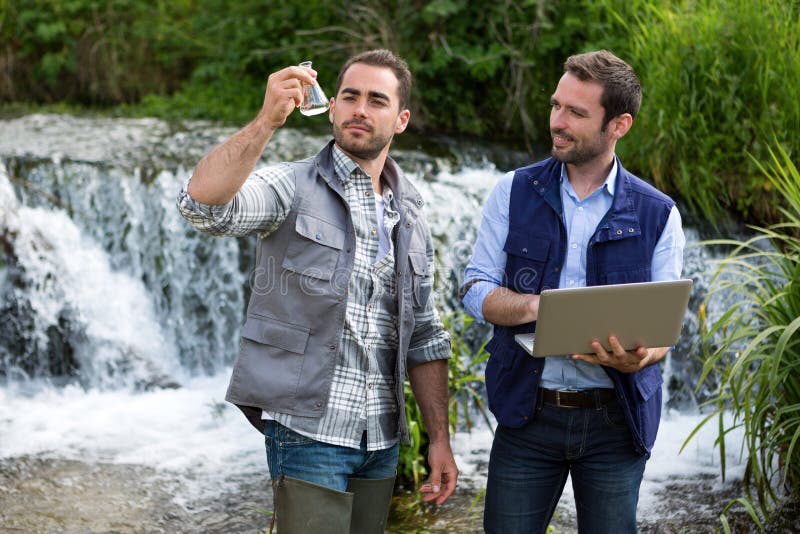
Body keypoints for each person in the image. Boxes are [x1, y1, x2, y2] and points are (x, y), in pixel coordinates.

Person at [177, 49, 458, 533]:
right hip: (309, 434)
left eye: (376, 100)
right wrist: (266, 121)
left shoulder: (410, 210)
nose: (360, 110)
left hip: (382, 442)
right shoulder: (291, 185)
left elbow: (425, 334)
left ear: (402, 118)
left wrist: (439, 439)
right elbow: (202, 207)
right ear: (331, 106)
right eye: (349, 96)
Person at [460, 50, 685, 533]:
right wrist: (539, 306)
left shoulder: (659, 213)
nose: (557, 122)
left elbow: (667, 327)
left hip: (616, 423)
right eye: (556, 105)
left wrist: (640, 357)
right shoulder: (512, 191)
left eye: (576, 113)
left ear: (618, 125)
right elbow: (475, 288)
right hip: (527, 414)